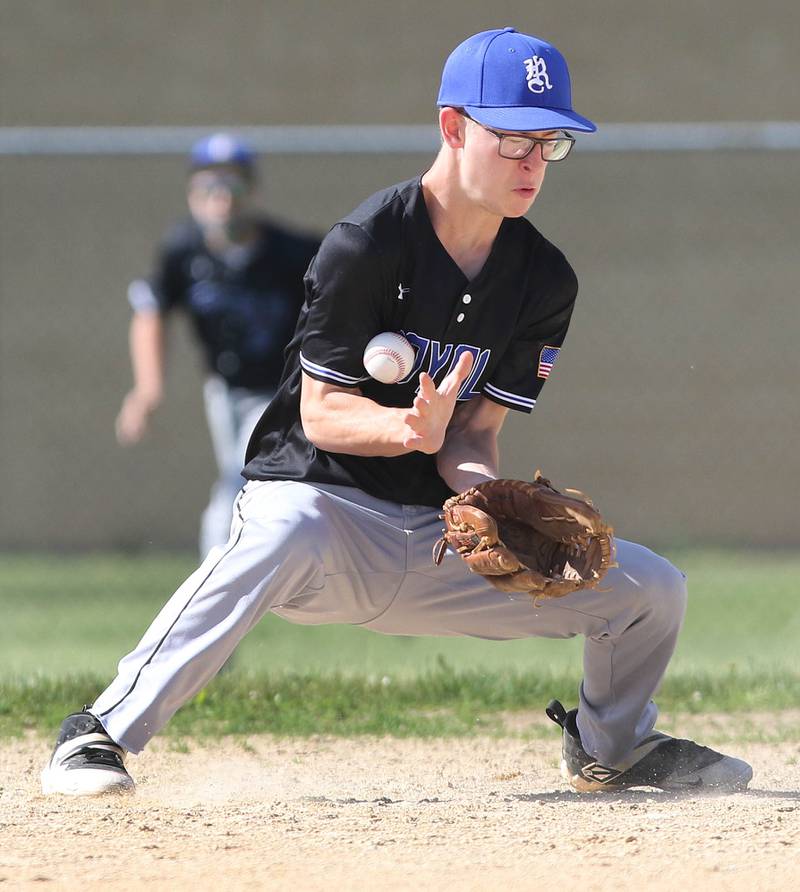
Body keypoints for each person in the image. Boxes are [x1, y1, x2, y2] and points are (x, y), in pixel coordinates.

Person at [42, 28, 752, 796]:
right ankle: (99, 732)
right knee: (270, 532)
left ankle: (613, 747)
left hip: (440, 538)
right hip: (325, 516)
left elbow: (477, 433)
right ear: (453, 126)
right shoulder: (367, 246)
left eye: (550, 142)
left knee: (652, 589)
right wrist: (406, 430)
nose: (532, 162)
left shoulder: (544, 279)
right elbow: (320, 415)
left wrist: (488, 503)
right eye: (513, 137)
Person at [115, 133, 319, 558]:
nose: (222, 198)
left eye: (234, 186)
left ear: (253, 192)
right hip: (223, 390)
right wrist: (147, 389)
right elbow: (151, 311)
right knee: (245, 477)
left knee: (242, 478)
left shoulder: (293, 252)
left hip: (284, 392)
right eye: (209, 187)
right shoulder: (183, 251)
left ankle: (217, 568)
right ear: (192, 195)